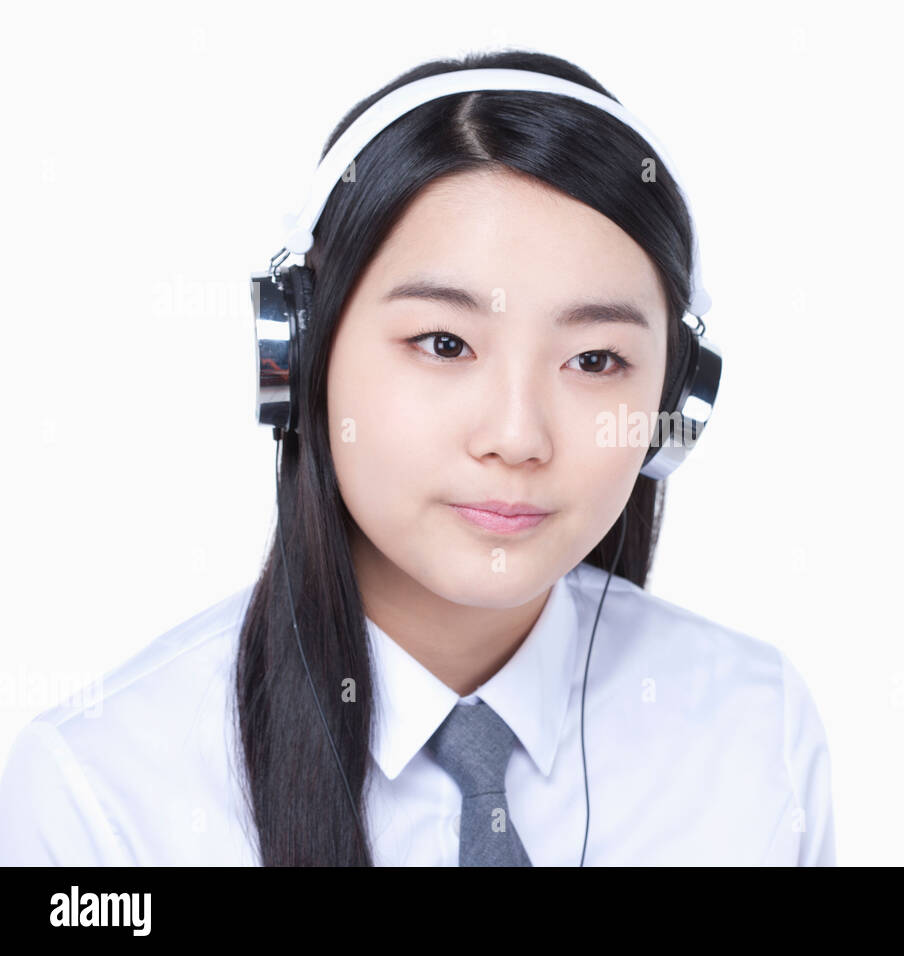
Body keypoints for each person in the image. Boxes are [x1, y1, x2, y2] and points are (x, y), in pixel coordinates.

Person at [0, 48, 834, 866]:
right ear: (299, 358)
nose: (516, 436)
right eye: (444, 342)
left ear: (676, 407)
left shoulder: (756, 734)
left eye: (594, 361)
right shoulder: (100, 798)